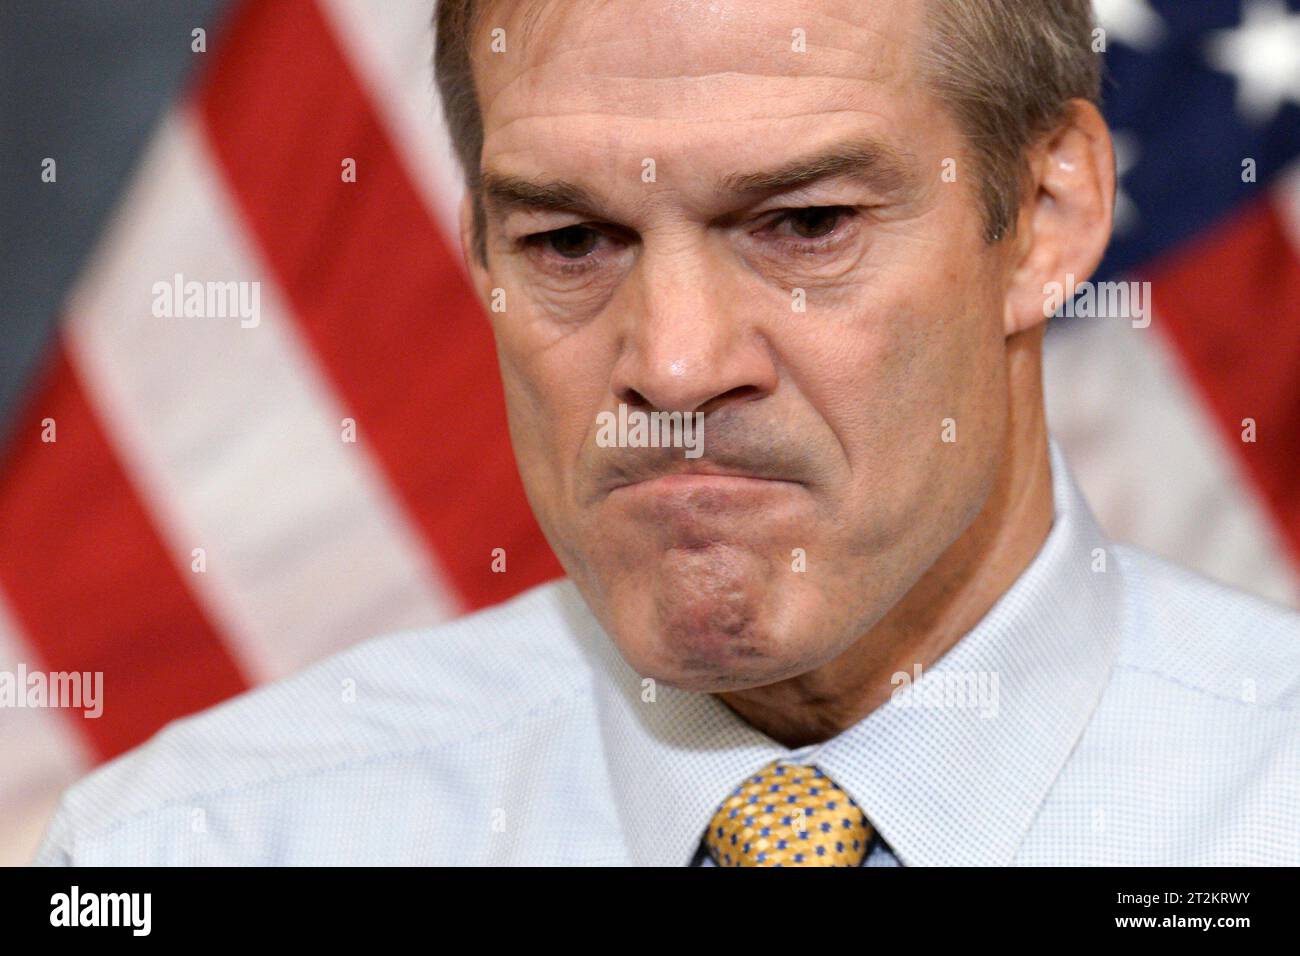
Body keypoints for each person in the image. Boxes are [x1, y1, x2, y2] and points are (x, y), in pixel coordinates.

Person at [34, 0, 1300, 866]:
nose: (677, 362)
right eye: (570, 242)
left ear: (1046, 215)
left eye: (804, 226)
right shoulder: (191, 845)